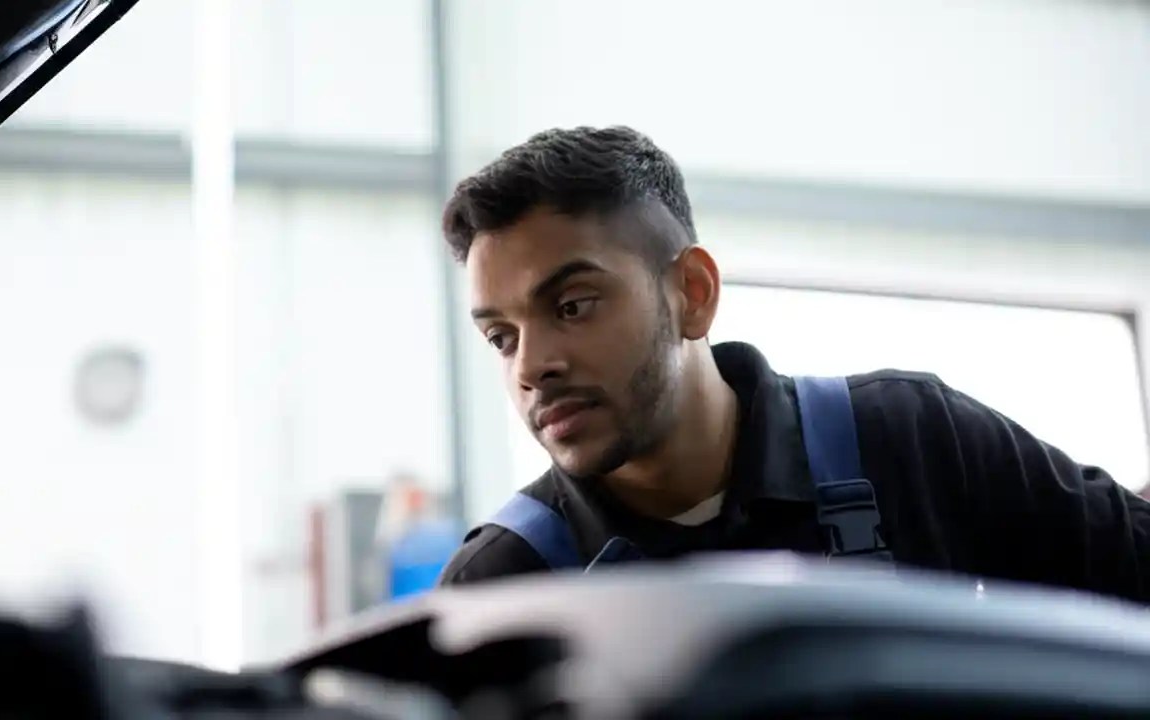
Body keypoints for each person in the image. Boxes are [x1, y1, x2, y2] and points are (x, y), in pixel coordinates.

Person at [435, 125, 1150, 603]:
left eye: (572, 307)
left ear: (692, 293)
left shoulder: (914, 443)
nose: (533, 366)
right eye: (501, 337)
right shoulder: (500, 588)